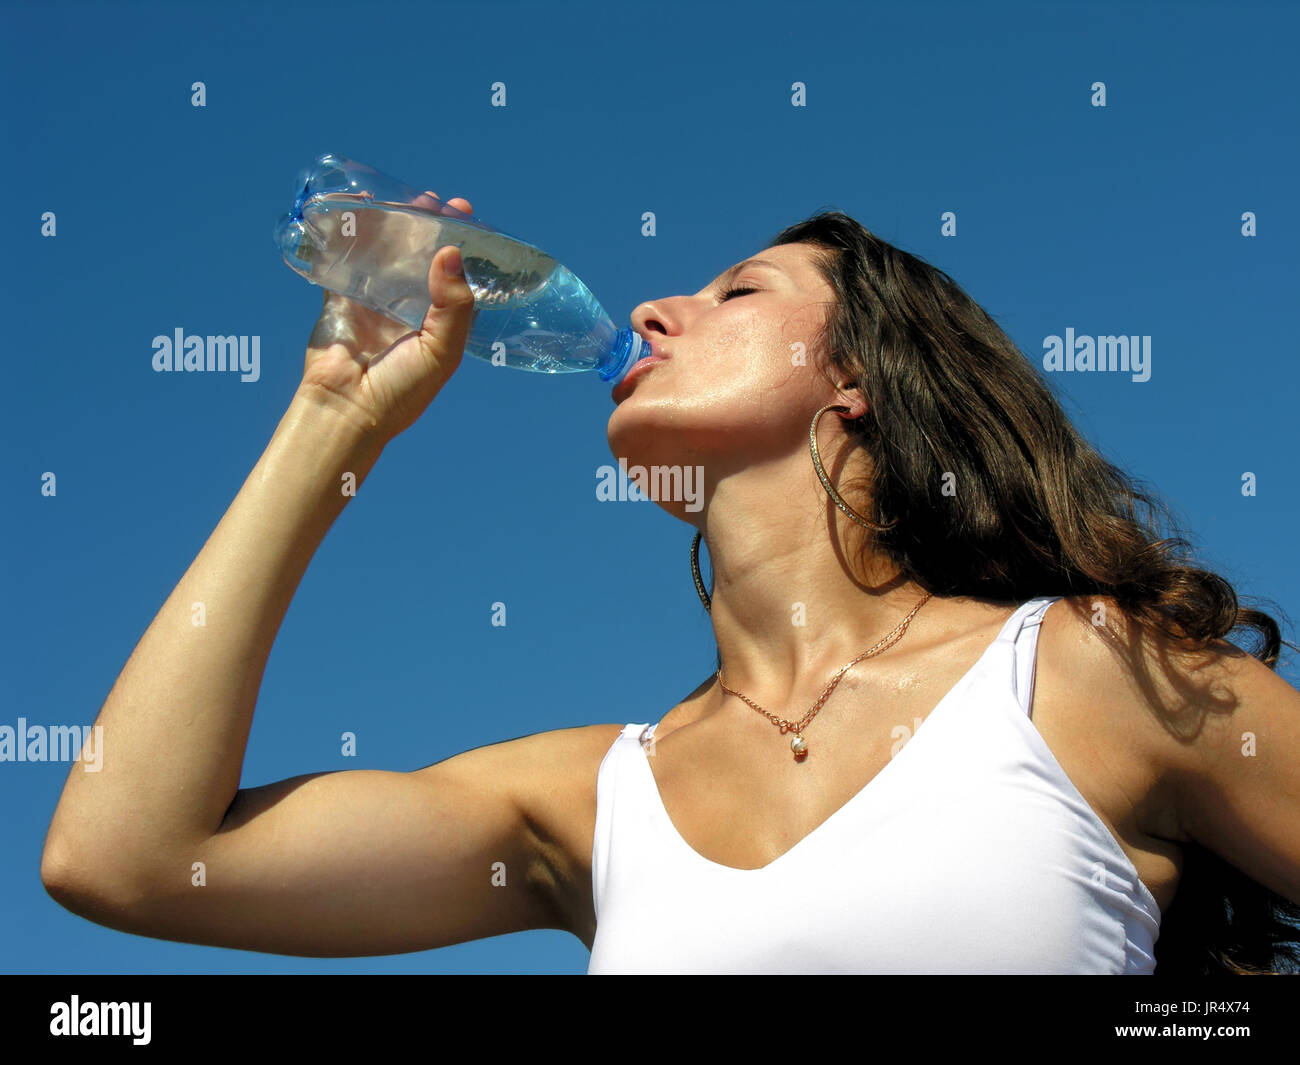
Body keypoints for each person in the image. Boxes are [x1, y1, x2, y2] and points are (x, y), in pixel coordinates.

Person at [40, 195, 1300, 974]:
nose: (651, 310)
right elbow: (131, 857)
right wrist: (331, 423)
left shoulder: (1085, 672)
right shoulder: (589, 800)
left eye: (735, 292)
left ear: (859, 380)